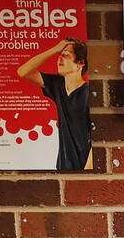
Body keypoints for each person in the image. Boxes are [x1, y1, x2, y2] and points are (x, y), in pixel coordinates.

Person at [16, 38, 93, 171]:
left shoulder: (88, 94)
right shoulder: (57, 85)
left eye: (66, 55)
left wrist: (88, 169)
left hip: (85, 168)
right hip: (63, 169)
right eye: (59, 55)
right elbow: (23, 72)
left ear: (80, 63)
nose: (59, 59)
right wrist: (54, 50)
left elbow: (96, 136)